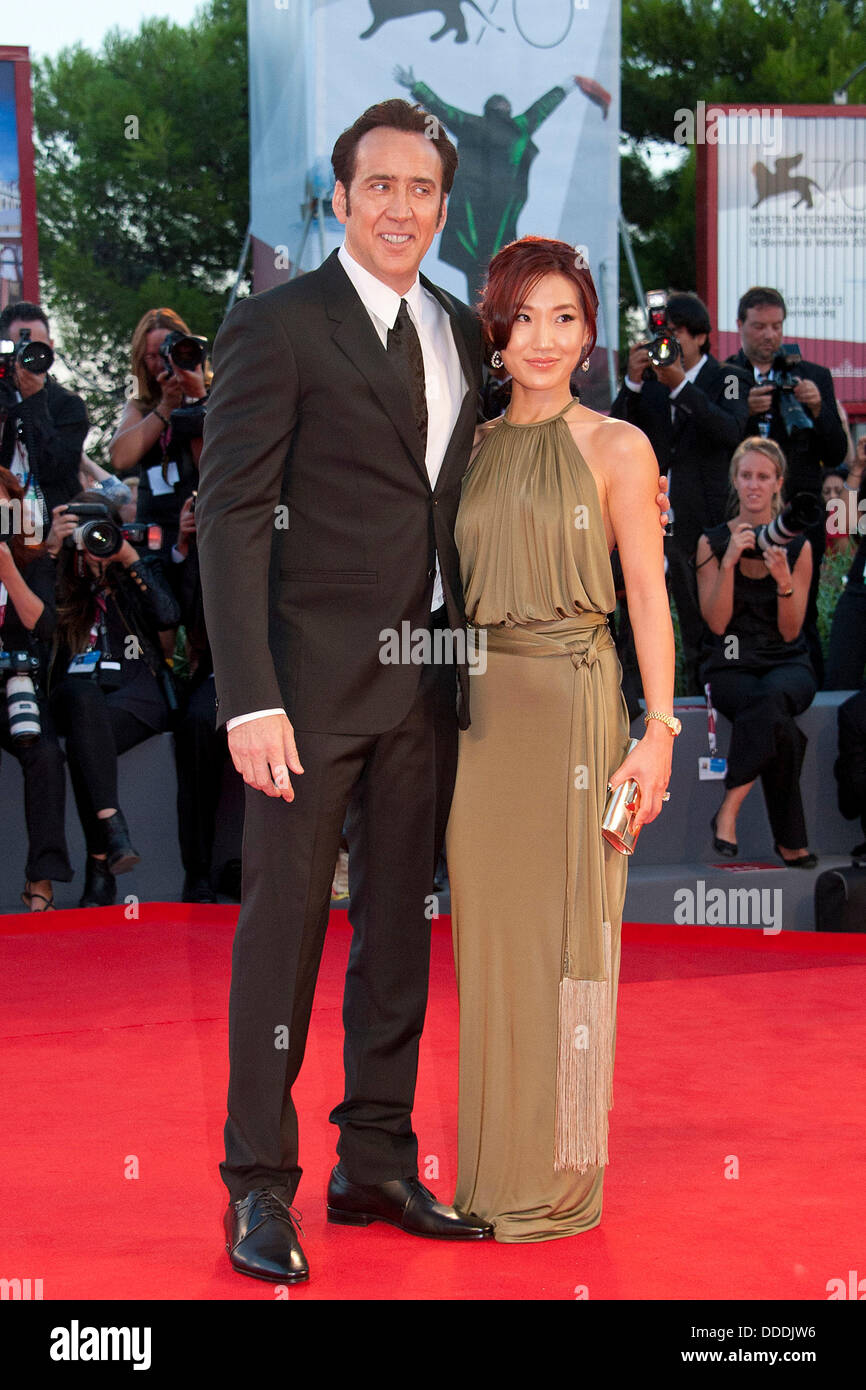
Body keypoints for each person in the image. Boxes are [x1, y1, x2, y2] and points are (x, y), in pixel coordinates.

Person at [196, 98, 672, 1285]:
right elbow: (232, 519)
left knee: (398, 940)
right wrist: (248, 695)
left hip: (434, 693)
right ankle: (258, 1186)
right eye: (379, 186)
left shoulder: (469, 330)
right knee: (283, 941)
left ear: (443, 209)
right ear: (341, 196)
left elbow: (498, 489)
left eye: (421, 190)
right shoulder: (276, 326)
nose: (400, 207)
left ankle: (375, 1158)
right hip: (302, 703)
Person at [445, 237, 675, 1241]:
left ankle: (567, 1170)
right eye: (523, 317)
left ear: (588, 332)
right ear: (495, 330)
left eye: (564, 318)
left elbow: (644, 597)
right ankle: (492, 1173)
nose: (542, 339)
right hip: (479, 723)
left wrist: (656, 731)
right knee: (492, 951)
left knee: (578, 947)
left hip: (581, 704)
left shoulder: (618, 446)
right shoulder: (466, 445)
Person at [610, 292, 749, 692]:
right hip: (648, 526)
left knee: (700, 627)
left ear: (701, 337)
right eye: (661, 336)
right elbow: (613, 437)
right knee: (638, 625)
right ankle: (635, 711)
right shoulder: (649, 384)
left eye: (676, 335)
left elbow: (730, 431)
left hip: (703, 525)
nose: (665, 345)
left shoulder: (730, 378)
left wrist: (681, 387)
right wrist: (633, 384)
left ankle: (707, 705)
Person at [48, 491, 181, 907]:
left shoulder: (135, 567)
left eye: (102, 532)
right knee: (85, 698)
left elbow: (168, 616)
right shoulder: (60, 574)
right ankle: (113, 835)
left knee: (92, 741)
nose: (95, 543)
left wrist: (127, 559)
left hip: (135, 696)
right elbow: (37, 622)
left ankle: (101, 861)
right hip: (72, 693)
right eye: (86, 534)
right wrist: (54, 551)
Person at [696, 438, 817, 866]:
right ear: (734, 479)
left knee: (771, 700)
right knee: (778, 723)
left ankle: (728, 808)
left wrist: (783, 580)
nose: (753, 485)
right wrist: (728, 562)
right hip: (731, 665)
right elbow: (716, 623)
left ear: (778, 484)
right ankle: (791, 843)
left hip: (786, 663)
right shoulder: (711, 542)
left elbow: (790, 631)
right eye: (746, 475)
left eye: (763, 477)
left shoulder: (798, 546)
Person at [727, 287, 848, 683]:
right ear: (740, 325)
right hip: (742, 513)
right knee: (739, 607)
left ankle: (805, 684)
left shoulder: (813, 375)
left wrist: (818, 408)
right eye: (759, 326)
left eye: (776, 326)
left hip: (800, 511)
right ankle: (743, 681)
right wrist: (743, 412)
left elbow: (835, 452)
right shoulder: (726, 375)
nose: (769, 335)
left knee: (803, 605)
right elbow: (715, 447)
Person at [0, 467, 73, 910]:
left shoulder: (32, 560)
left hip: (15, 686)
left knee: (46, 754)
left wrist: (7, 567)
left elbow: (46, 627)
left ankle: (41, 881)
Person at [109, 308, 208, 566]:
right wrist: (165, 407)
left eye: (168, 352)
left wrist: (196, 398)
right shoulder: (140, 405)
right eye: (152, 355)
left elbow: (211, 463)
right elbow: (120, 458)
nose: (161, 363)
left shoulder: (213, 396)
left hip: (200, 522)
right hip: (153, 529)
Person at [0, 301, 90, 518]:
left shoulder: (68, 404)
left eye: (38, 347)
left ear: (51, 346)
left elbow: (57, 468)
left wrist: (35, 401)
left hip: (48, 523)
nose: (30, 356)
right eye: (22, 347)